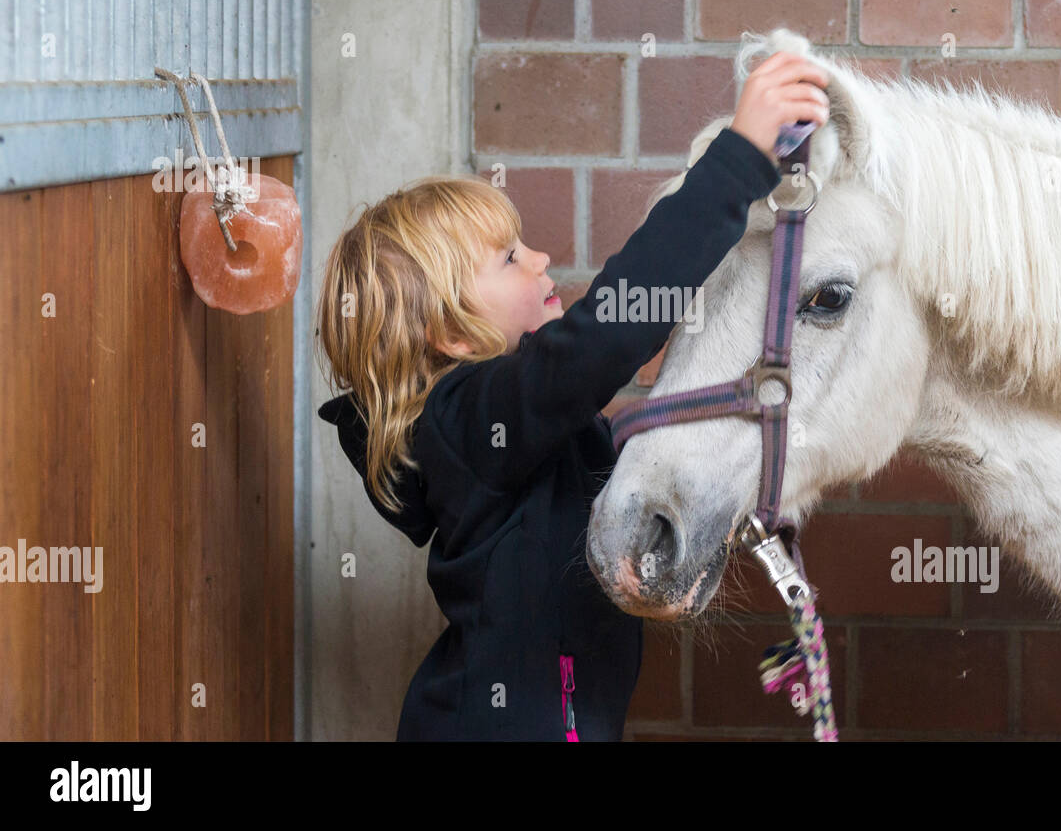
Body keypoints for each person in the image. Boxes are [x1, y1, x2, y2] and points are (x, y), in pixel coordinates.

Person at [315, 51, 831, 740]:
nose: (540, 260)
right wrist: (737, 162)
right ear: (450, 334)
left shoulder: (508, 432)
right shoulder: (466, 418)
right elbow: (600, 341)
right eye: (508, 258)